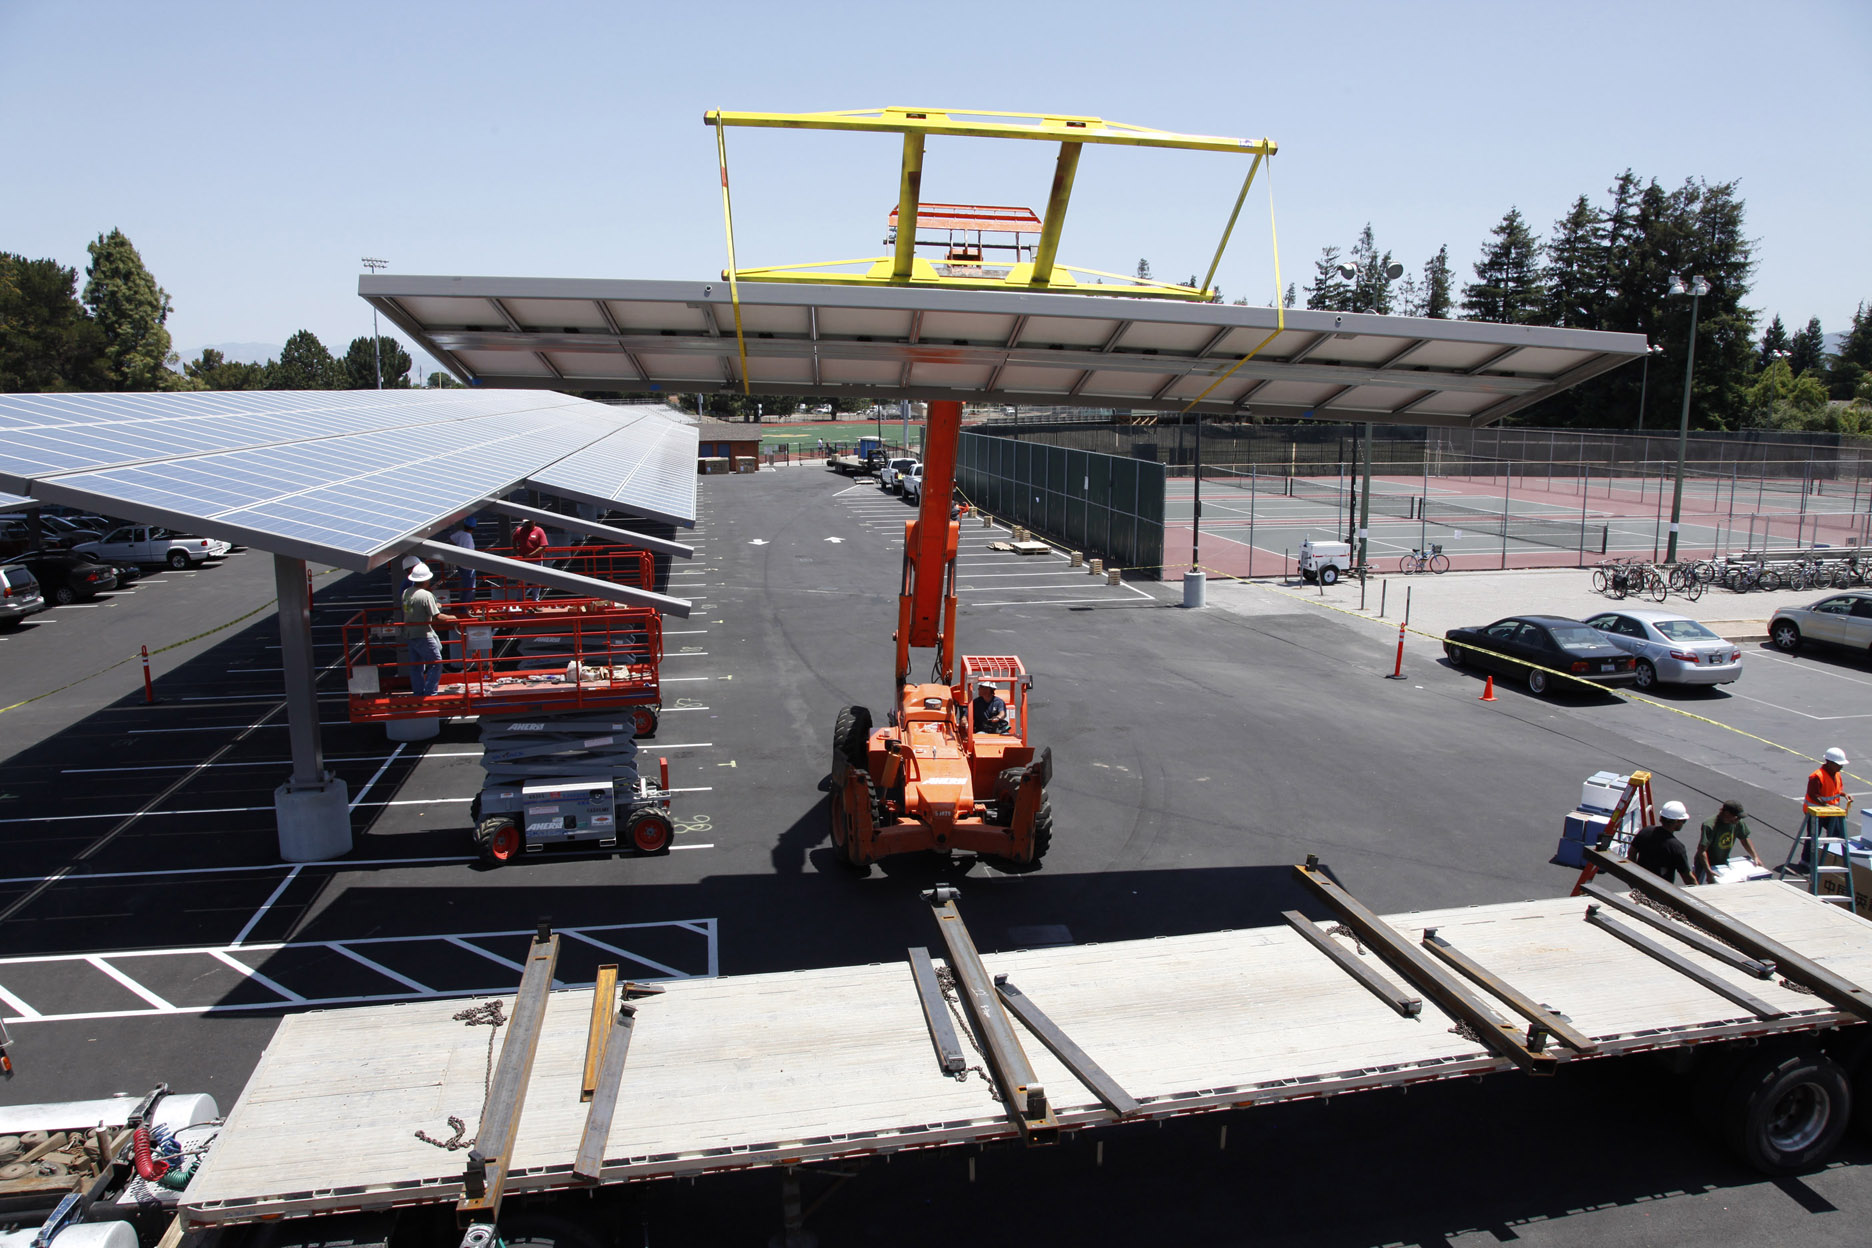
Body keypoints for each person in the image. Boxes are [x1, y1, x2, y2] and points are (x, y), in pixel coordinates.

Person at [400, 562, 457, 697]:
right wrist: (453, 617)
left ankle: (418, 692)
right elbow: (437, 616)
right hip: (423, 633)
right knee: (436, 662)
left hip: (410, 632)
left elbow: (414, 609)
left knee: (416, 665)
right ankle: (430, 692)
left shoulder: (406, 592)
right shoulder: (426, 595)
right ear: (425, 579)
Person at [1801, 747, 1854, 866]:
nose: (1841, 767)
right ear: (1829, 763)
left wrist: (1845, 795)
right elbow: (1813, 794)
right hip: (1816, 813)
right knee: (1814, 837)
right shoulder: (1816, 776)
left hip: (1830, 813)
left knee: (1837, 834)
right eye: (1838, 764)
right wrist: (1826, 806)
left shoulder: (1836, 774)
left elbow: (1836, 791)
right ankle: (1806, 861)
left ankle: (1827, 858)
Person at [1627, 800, 1695, 885]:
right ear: (1676, 822)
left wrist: (1635, 874)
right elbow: (1687, 877)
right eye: (1683, 821)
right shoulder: (1677, 847)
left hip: (1640, 883)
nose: (1683, 823)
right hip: (1661, 891)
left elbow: (1631, 853)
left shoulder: (1646, 831)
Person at [1695, 799, 1763, 884]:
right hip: (1705, 865)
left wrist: (1755, 856)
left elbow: (1744, 839)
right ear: (1727, 813)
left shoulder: (1737, 823)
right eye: (1737, 817)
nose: (1738, 819)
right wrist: (1708, 872)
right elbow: (1702, 851)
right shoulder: (1710, 825)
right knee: (1699, 887)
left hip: (1722, 863)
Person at [512, 516, 549, 601]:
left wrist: (530, 555)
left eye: (529, 523)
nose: (527, 525)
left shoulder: (539, 531)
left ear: (533, 522)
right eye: (526, 523)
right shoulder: (520, 531)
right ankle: (520, 601)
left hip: (536, 560)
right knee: (522, 581)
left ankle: (535, 600)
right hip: (524, 560)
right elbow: (514, 539)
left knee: (536, 582)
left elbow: (543, 546)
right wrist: (516, 550)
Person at [448, 519, 478, 602]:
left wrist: (457, 547)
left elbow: (451, 539)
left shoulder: (460, 533)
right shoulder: (468, 538)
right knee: (469, 588)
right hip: (468, 566)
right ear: (474, 527)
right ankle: (465, 607)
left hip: (461, 564)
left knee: (465, 586)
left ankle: (464, 606)